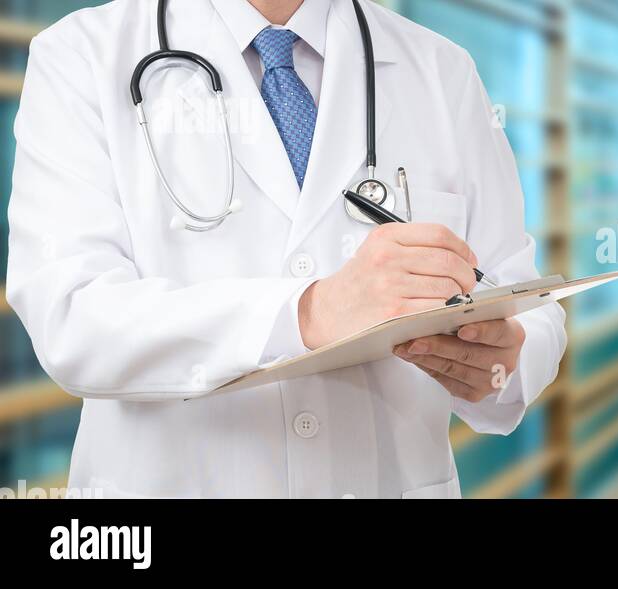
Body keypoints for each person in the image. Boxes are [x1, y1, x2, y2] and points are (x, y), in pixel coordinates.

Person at [3, 0, 566, 498]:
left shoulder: (441, 70)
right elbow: (72, 315)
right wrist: (310, 313)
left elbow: (523, 293)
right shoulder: (81, 56)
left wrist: (504, 361)